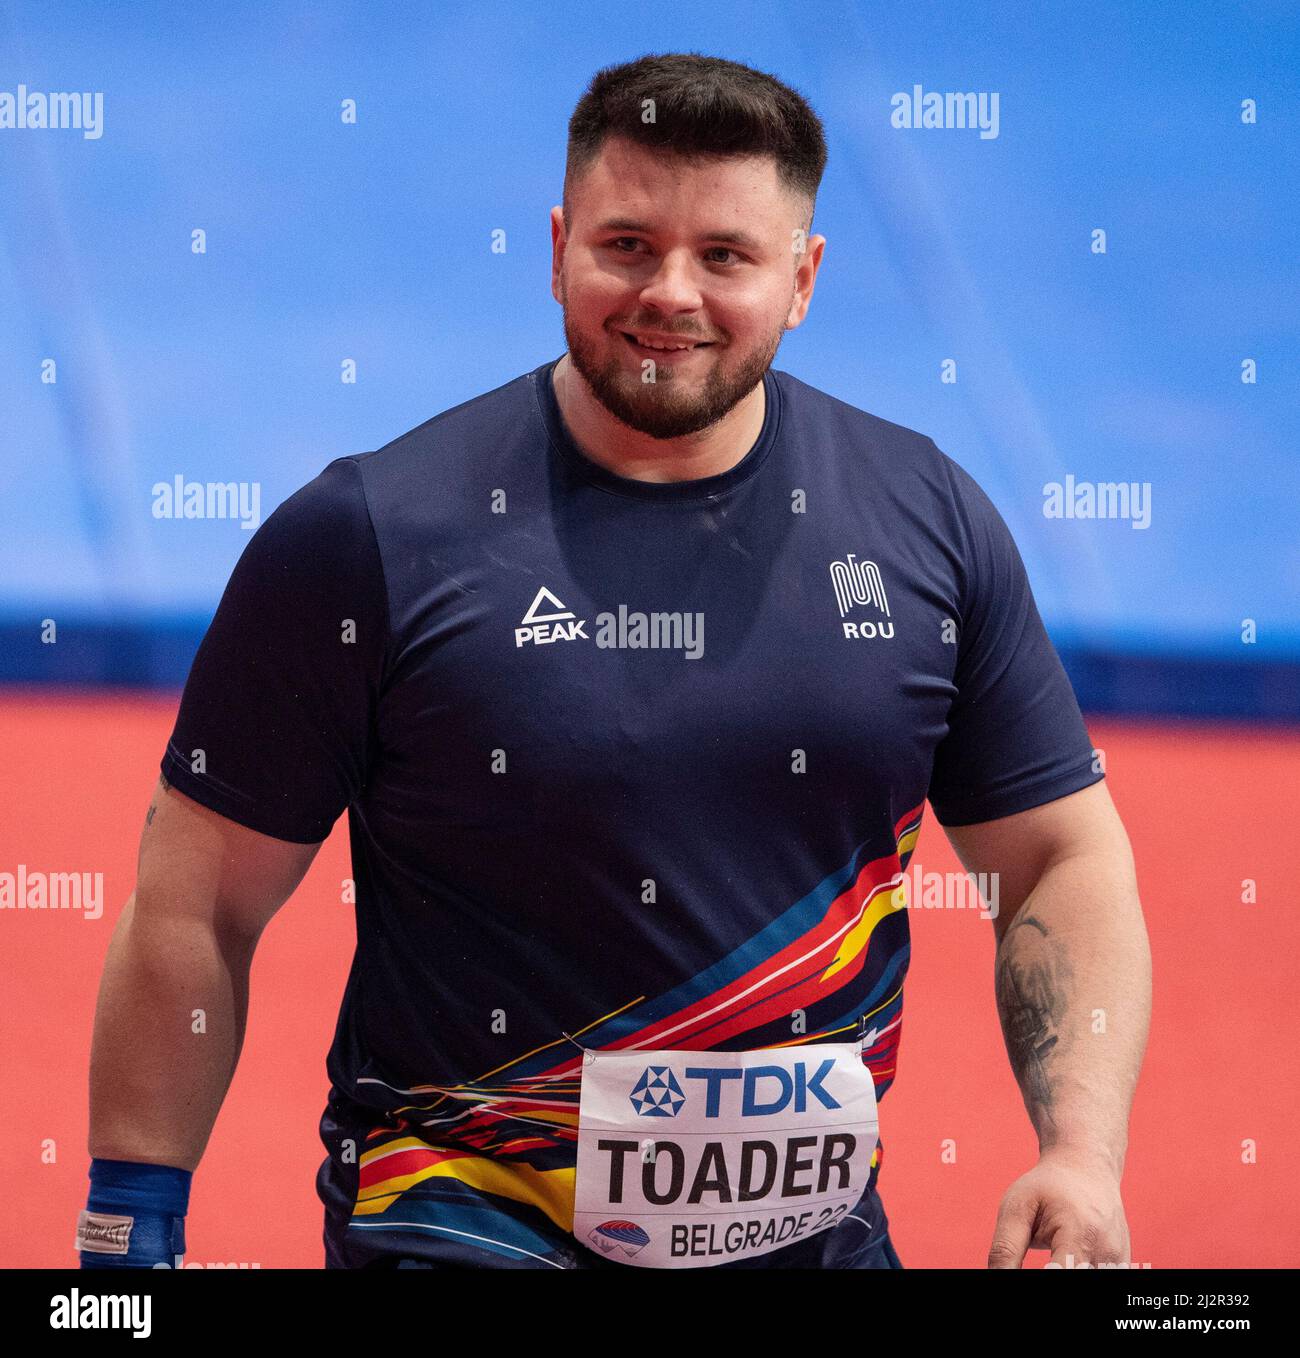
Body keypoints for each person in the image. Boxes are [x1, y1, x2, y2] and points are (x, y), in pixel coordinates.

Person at [80, 52, 1150, 1271]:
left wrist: (1079, 1151)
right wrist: (129, 1224)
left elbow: (1060, 855)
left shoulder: (927, 524)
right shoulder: (370, 536)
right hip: (462, 1229)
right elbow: (198, 899)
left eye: (726, 257)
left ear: (802, 279)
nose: (669, 296)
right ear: (555, 249)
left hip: (816, 1242)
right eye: (626, 245)